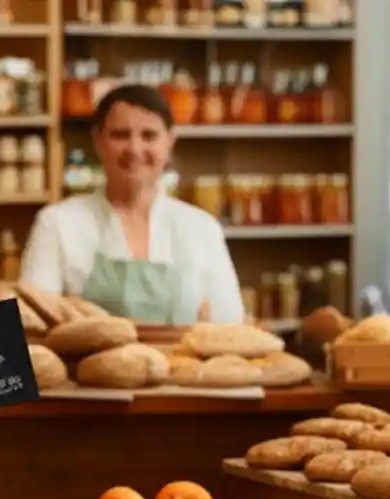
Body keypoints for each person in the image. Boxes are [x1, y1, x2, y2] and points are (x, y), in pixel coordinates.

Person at [19, 84, 245, 324]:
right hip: (83, 363)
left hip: (186, 362)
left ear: (170, 141)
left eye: (149, 135)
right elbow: (32, 322)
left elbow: (230, 324)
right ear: (98, 140)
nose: (135, 149)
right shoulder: (57, 223)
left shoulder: (202, 228)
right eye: (120, 135)